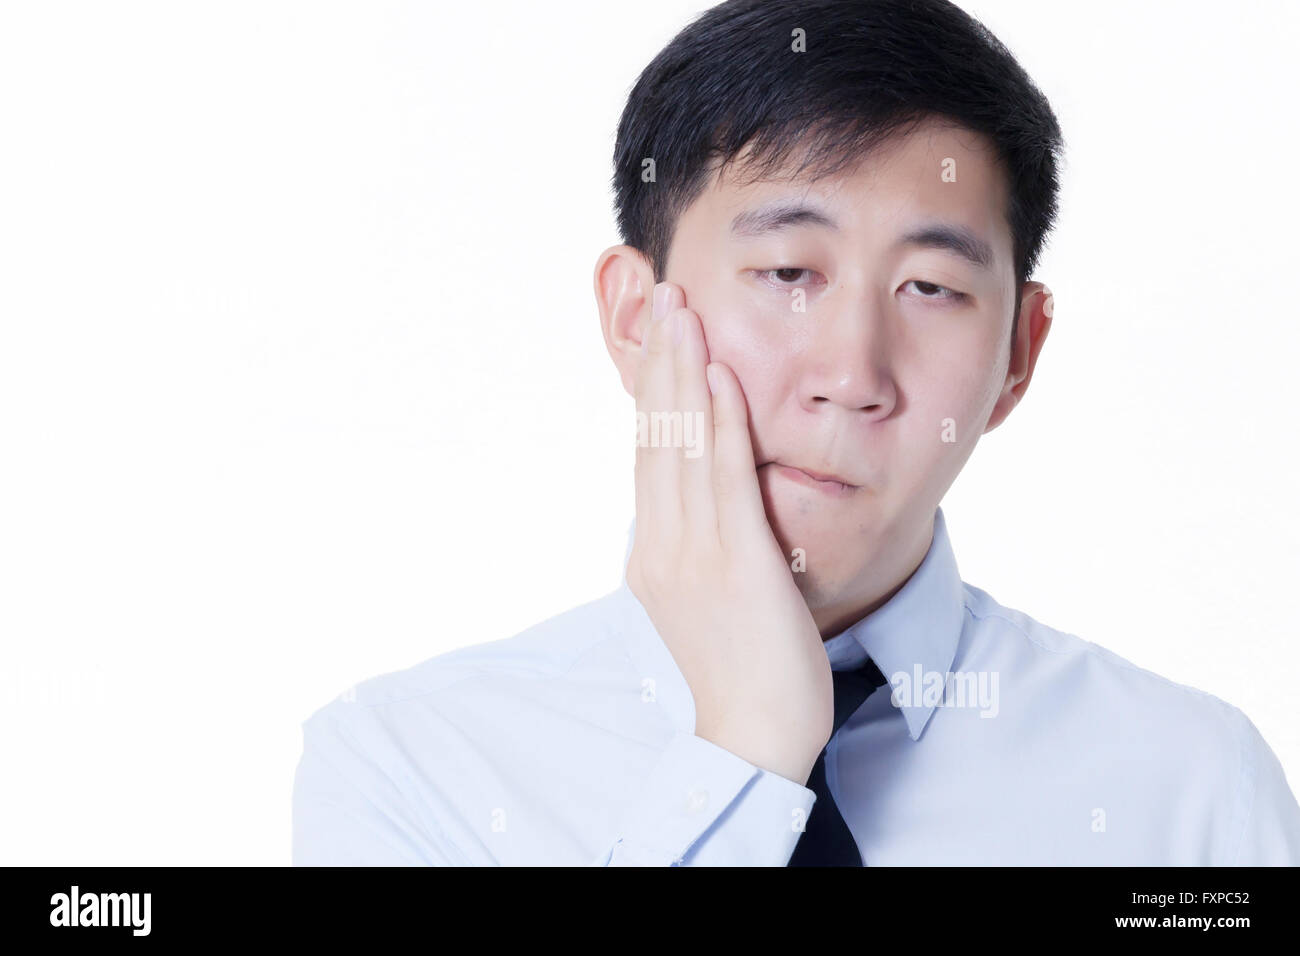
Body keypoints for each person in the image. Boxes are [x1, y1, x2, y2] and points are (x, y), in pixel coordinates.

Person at [291, 0, 1300, 865]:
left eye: (932, 287)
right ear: (638, 318)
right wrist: (744, 748)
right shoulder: (412, 766)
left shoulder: (1190, 790)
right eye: (786, 273)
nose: (850, 375)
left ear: (1017, 357)